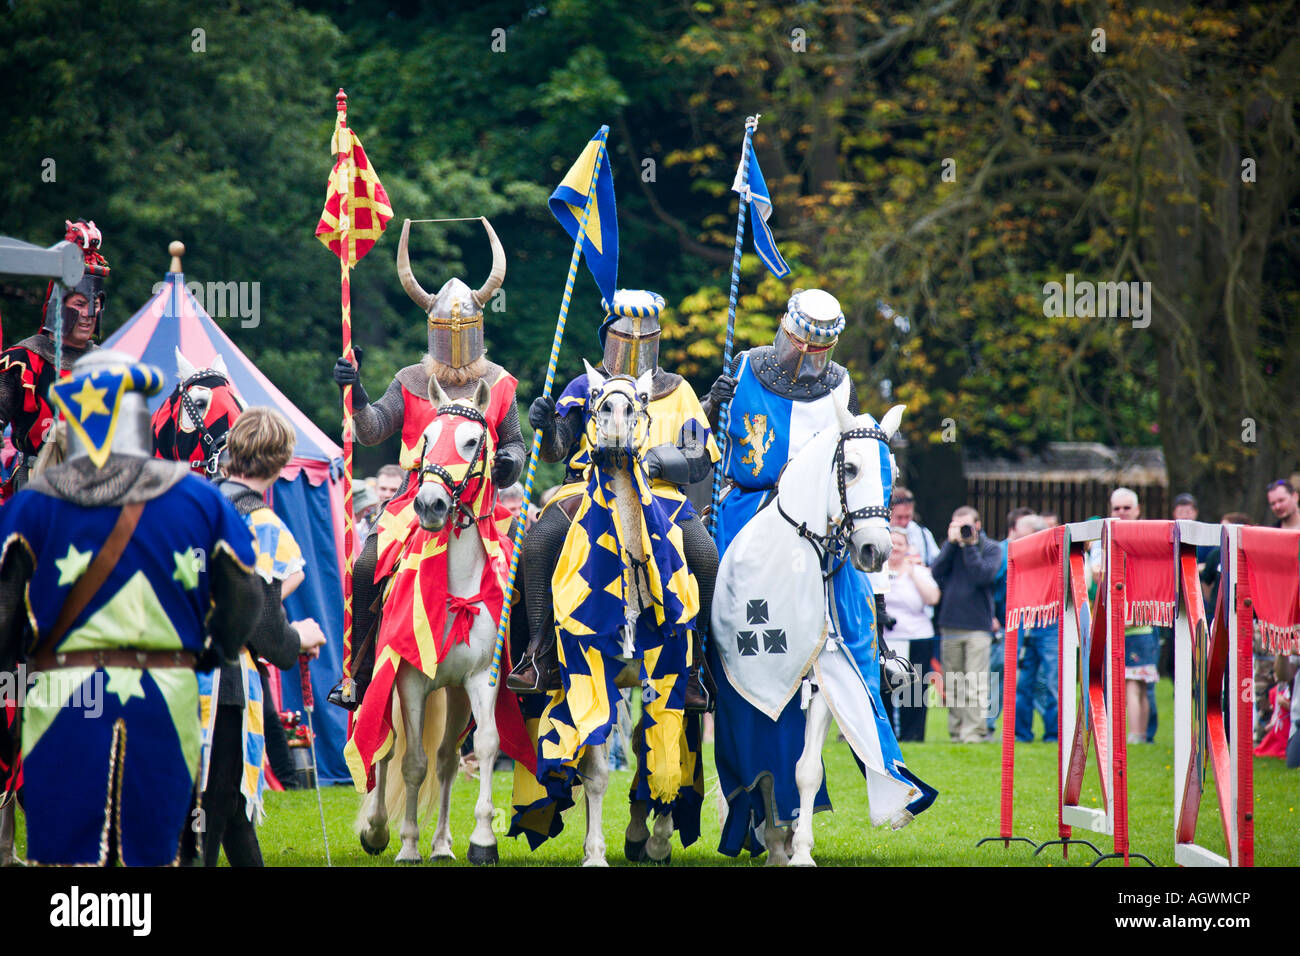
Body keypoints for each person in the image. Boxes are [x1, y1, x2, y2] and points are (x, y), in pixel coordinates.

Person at [0, 350, 265, 865]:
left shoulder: (32, 503)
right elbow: (245, 597)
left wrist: (17, 676)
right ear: (145, 416)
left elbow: (4, 612)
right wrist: (209, 652)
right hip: (164, 691)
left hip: (64, 694)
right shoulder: (198, 498)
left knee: (68, 855)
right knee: (158, 846)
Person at [703, 287, 934, 853]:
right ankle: (694, 662)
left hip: (817, 519)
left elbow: (848, 457)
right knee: (701, 571)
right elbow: (706, 442)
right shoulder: (745, 367)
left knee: (852, 583)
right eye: (798, 346)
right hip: (746, 506)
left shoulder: (840, 385)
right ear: (786, 332)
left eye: (815, 351)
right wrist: (714, 405)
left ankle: (869, 652)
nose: (804, 359)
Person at [329, 218, 524, 708]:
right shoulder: (412, 377)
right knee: (366, 564)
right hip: (414, 500)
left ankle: (528, 665)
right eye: (447, 334)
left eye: (465, 334)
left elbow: (516, 443)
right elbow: (371, 428)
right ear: (433, 331)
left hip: (481, 505)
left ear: (479, 329)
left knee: (527, 571)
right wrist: (354, 390)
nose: (456, 346)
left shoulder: (498, 382)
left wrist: (507, 464)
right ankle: (359, 671)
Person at [510, 289, 718, 707]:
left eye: (644, 343)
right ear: (607, 336)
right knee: (539, 542)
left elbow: (699, 458)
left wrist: (659, 461)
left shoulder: (678, 391)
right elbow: (556, 450)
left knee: (706, 557)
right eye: (624, 342)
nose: (633, 353)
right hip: (587, 488)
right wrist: (547, 426)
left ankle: (697, 665)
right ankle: (538, 653)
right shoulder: (585, 385)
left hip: (659, 496)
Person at [203, 408, 326, 866]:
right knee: (210, 812)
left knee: (231, 810)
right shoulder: (261, 524)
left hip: (170, 674)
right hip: (221, 686)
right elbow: (267, 631)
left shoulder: (195, 500)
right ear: (282, 463)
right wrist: (302, 636)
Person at [0, 220, 107, 496]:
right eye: (80, 305)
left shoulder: (108, 366)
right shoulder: (24, 360)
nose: (88, 315)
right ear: (59, 307)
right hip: (37, 484)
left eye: (94, 305)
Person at [931, 505, 1003, 743]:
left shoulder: (990, 548)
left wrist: (970, 546)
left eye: (966, 524)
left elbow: (982, 576)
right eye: (957, 524)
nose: (962, 529)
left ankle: (973, 733)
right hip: (950, 624)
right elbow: (936, 572)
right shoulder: (950, 548)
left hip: (978, 626)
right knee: (953, 684)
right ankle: (956, 732)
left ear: (978, 525)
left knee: (975, 682)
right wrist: (952, 545)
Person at [1108, 487, 1159, 744]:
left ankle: (1138, 735)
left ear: (1138, 510)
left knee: (1134, 683)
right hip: (1122, 623)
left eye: (1127, 508)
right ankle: (1139, 735)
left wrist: (1138, 613)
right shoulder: (1106, 540)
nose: (1122, 513)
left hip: (1140, 623)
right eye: (1116, 508)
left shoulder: (1146, 539)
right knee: (1133, 683)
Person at [1002, 512, 1058, 743]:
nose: (1017, 542)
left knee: (1054, 683)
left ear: (1037, 536)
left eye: (1023, 537)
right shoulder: (1017, 558)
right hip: (1024, 622)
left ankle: (1054, 735)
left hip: (1050, 623)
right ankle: (1021, 734)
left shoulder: (1054, 557)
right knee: (1021, 683)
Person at [883, 527, 940, 741]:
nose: (895, 547)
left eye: (900, 544)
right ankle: (888, 734)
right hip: (887, 640)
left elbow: (932, 598)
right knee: (886, 689)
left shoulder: (920, 570)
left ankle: (912, 735)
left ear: (907, 548)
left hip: (917, 638)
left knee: (915, 690)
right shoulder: (875, 572)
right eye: (892, 543)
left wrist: (913, 572)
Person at [891, 486, 940, 565]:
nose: (904, 522)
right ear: (890, 514)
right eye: (899, 517)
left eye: (907, 516)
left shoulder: (923, 533)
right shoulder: (881, 534)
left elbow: (937, 564)